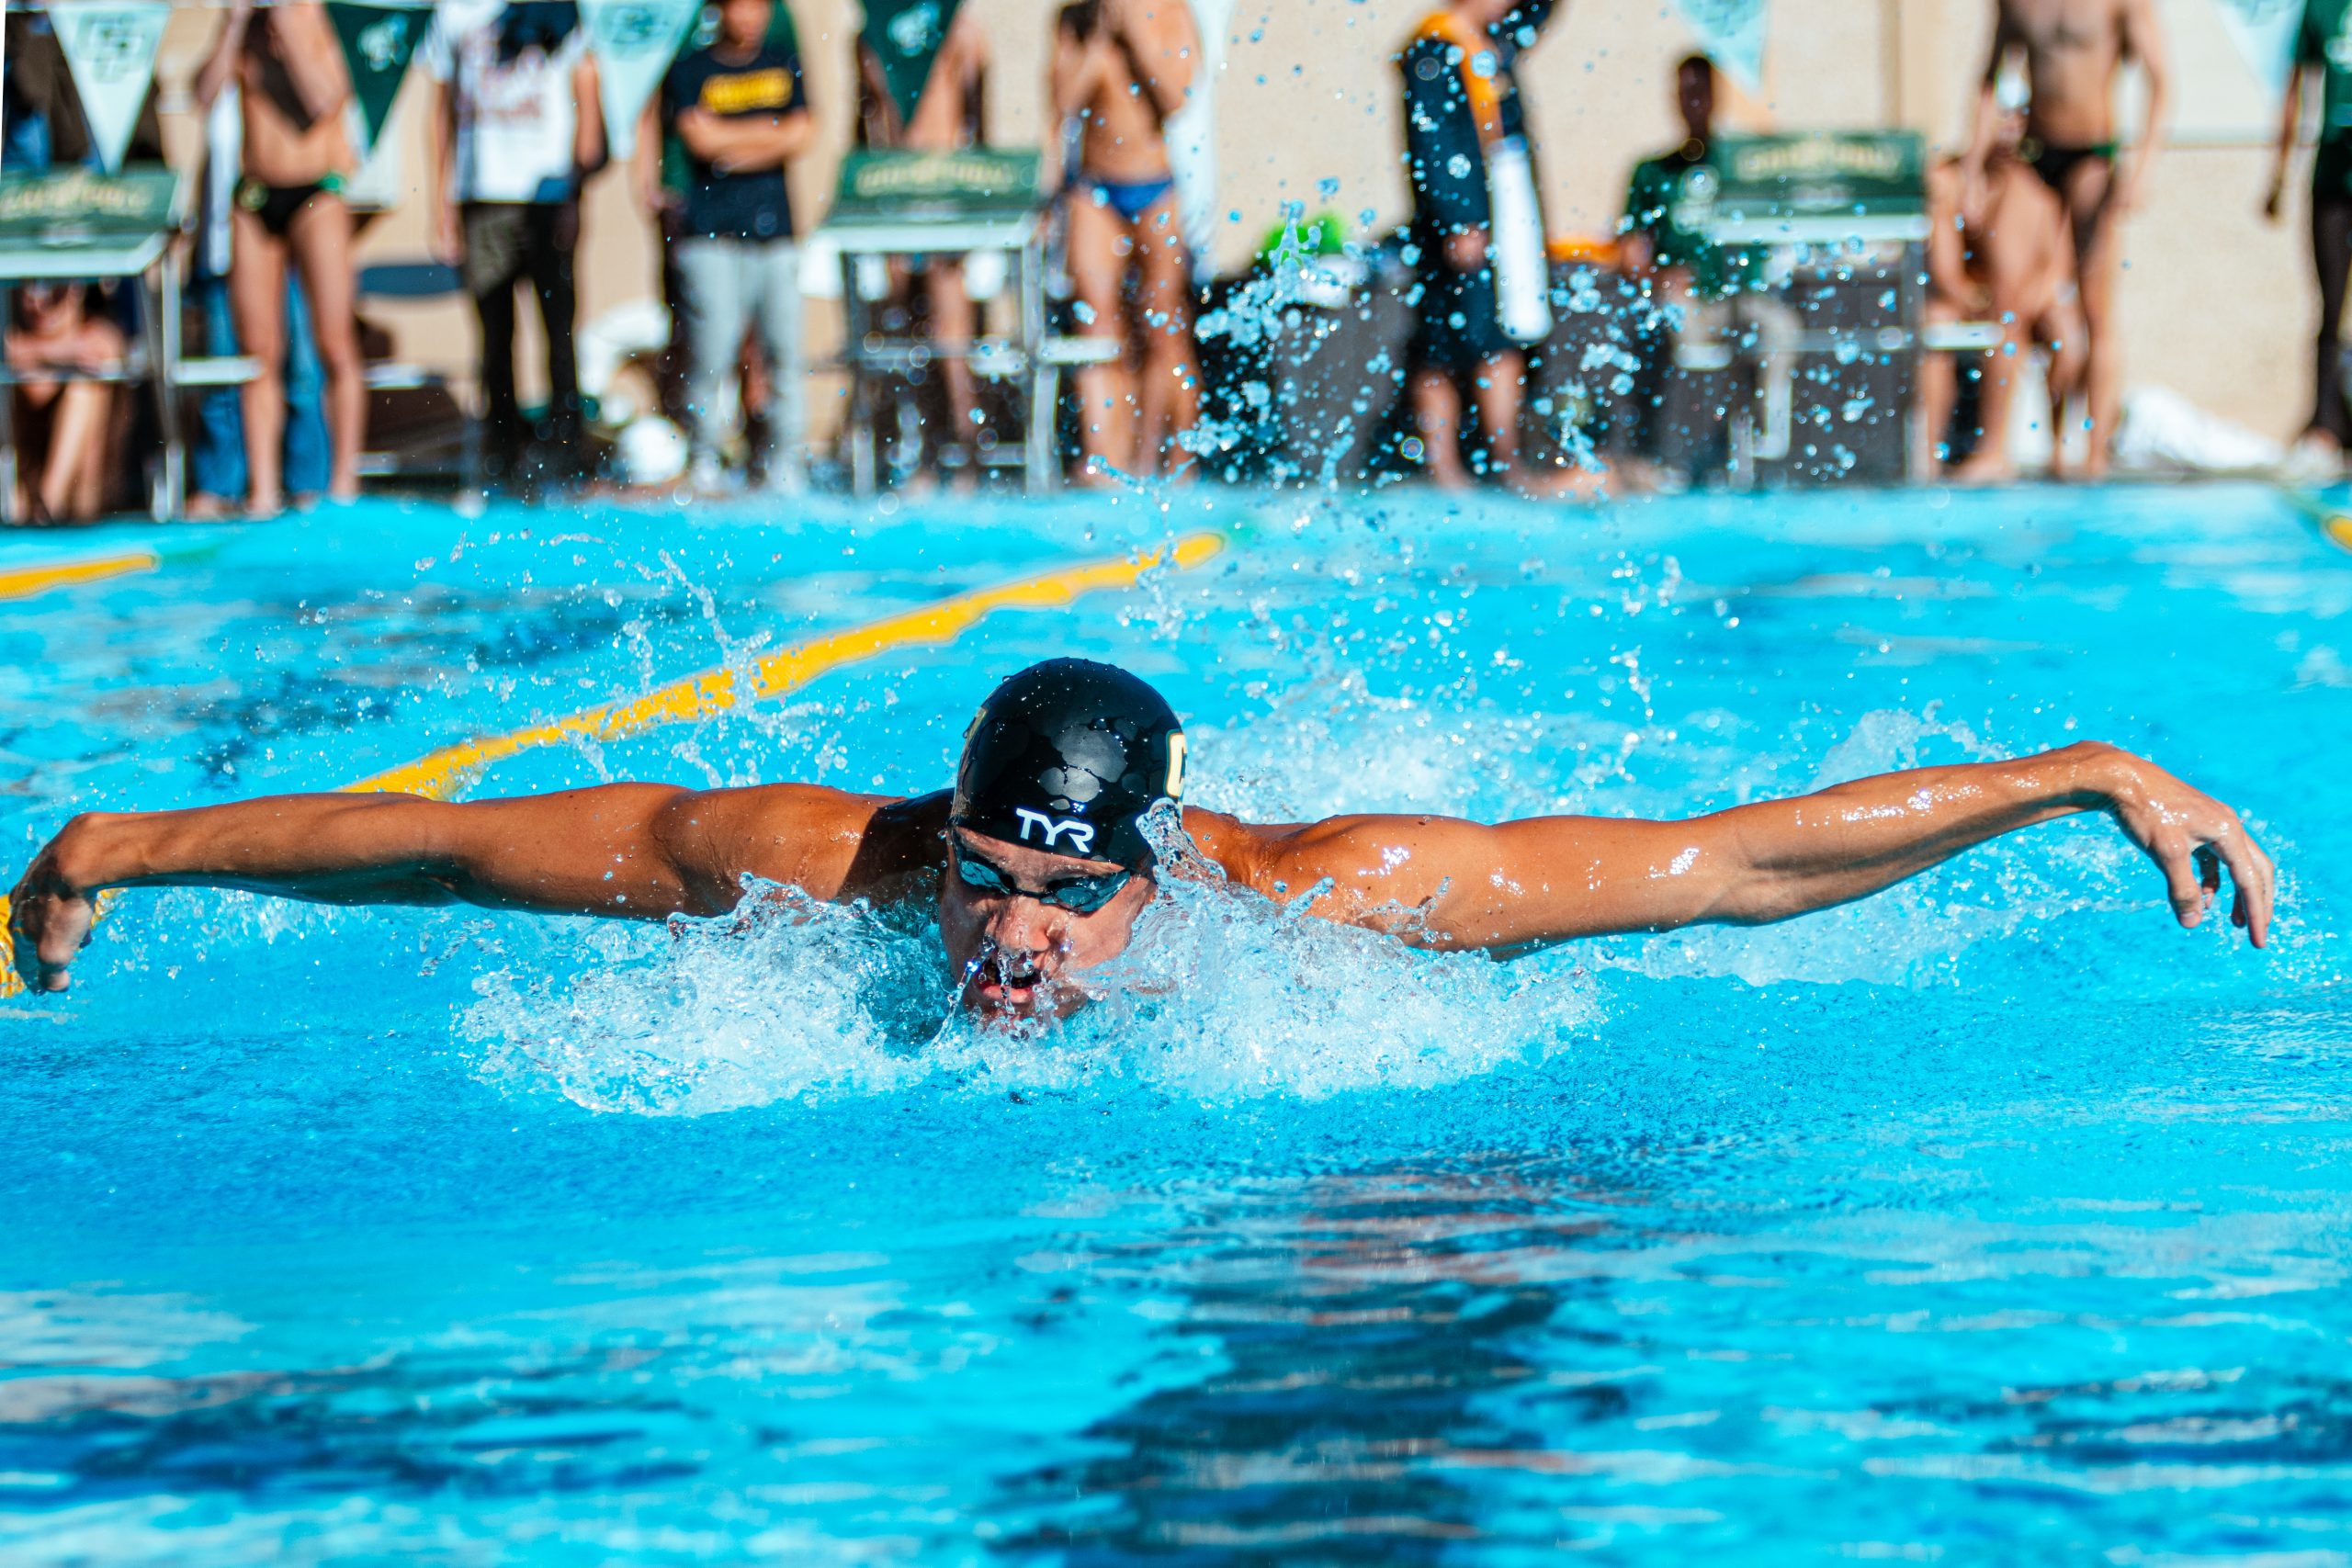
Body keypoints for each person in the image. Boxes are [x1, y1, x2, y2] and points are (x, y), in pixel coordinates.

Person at [9, 660, 2275, 1019]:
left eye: (1063, 895)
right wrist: (123, 838)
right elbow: (439, 842)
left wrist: (2064, 773)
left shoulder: (1320, 898)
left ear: (1153, 872)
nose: (1005, 939)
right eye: (984, 880)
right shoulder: (828, 857)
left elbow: (1719, 864)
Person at [1962, 0, 2168, 481]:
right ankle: (1992, 451)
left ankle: (2094, 453)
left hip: (2093, 155)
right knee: (2006, 306)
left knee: (2096, 310)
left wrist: (2144, 166)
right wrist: (1973, 169)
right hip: (2032, 156)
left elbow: (2160, 80)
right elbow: (1989, 78)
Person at [191, 0, 367, 516]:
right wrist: (233, 24)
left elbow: (325, 99)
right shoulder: (244, 27)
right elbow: (203, 96)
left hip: (318, 191)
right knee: (258, 353)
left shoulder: (323, 16)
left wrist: (288, 25)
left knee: (335, 343)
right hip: (255, 197)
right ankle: (263, 492)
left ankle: (343, 484)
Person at [421, 0, 604, 488]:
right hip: (482, 197)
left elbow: (586, 95)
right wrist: (442, 204)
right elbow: (440, 110)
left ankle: (567, 451)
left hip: (547, 196)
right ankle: (502, 454)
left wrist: (576, 192)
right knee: (494, 336)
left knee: (558, 332)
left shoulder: (562, 10)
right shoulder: (455, 13)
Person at [1397, 0, 1575, 493]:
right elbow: (1432, 141)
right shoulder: (1435, 47)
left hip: (1505, 209)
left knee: (1503, 334)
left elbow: (1544, 10)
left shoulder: (1492, 43)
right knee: (1447, 342)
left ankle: (1504, 462)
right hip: (1463, 218)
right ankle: (1450, 469)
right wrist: (1459, 217)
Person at [660, 0, 815, 495]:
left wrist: (731, 144)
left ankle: (786, 462)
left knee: (784, 351)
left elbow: (803, 132)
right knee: (713, 350)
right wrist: (768, 135)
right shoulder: (692, 68)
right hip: (711, 234)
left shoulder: (782, 62)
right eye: (741, 6)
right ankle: (705, 456)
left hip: (776, 234)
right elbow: (700, 141)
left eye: (759, 7)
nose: (750, 17)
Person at [1051, 0, 1202, 482]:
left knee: (1163, 321)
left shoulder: (1172, 11)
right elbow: (1061, 105)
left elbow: (1176, 98)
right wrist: (1096, 47)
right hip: (1093, 189)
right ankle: (1105, 454)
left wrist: (1134, 36)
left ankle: (1170, 455)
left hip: (1156, 187)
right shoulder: (1075, 20)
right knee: (1095, 321)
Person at [1924, 85, 2086, 482]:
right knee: (1937, 321)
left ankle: (2056, 448)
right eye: (2003, 114)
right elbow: (1945, 272)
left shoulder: (2036, 186)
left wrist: (2027, 301)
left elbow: (2056, 271)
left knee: (2065, 334)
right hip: (1967, 295)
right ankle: (1929, 457)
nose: (2011, 125)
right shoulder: (1947, 179)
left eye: (2020, 115)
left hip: (2020, 298)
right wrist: (1974, 297)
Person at [857, 0, 990, 478]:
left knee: (951, 329)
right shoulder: (870, 31)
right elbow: (865, 120)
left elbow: (978, 117)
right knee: (894, 322)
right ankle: (906, 442)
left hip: (945, 187)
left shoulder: (960, 26)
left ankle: (966, 444)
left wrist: (978, 196)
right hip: (895, 190)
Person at [2266, 0, 2352, 474]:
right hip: (2332, 182)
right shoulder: (2320, 8)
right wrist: (2278, 176)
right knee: (2329, 307)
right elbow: (2295, 91)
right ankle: (2325, 426)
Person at [6, 282, 125, 524]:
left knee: (84, 386)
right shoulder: (12, 336)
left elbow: (104, 347)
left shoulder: (99, 332)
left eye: (53, 290)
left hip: (84, 495)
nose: (40, 303)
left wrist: (33, 356)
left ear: (75, 291)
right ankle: (35, 509)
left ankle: (48, 504)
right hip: (20, 495)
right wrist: (64, 352)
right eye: (30, 290)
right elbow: (34, 389)